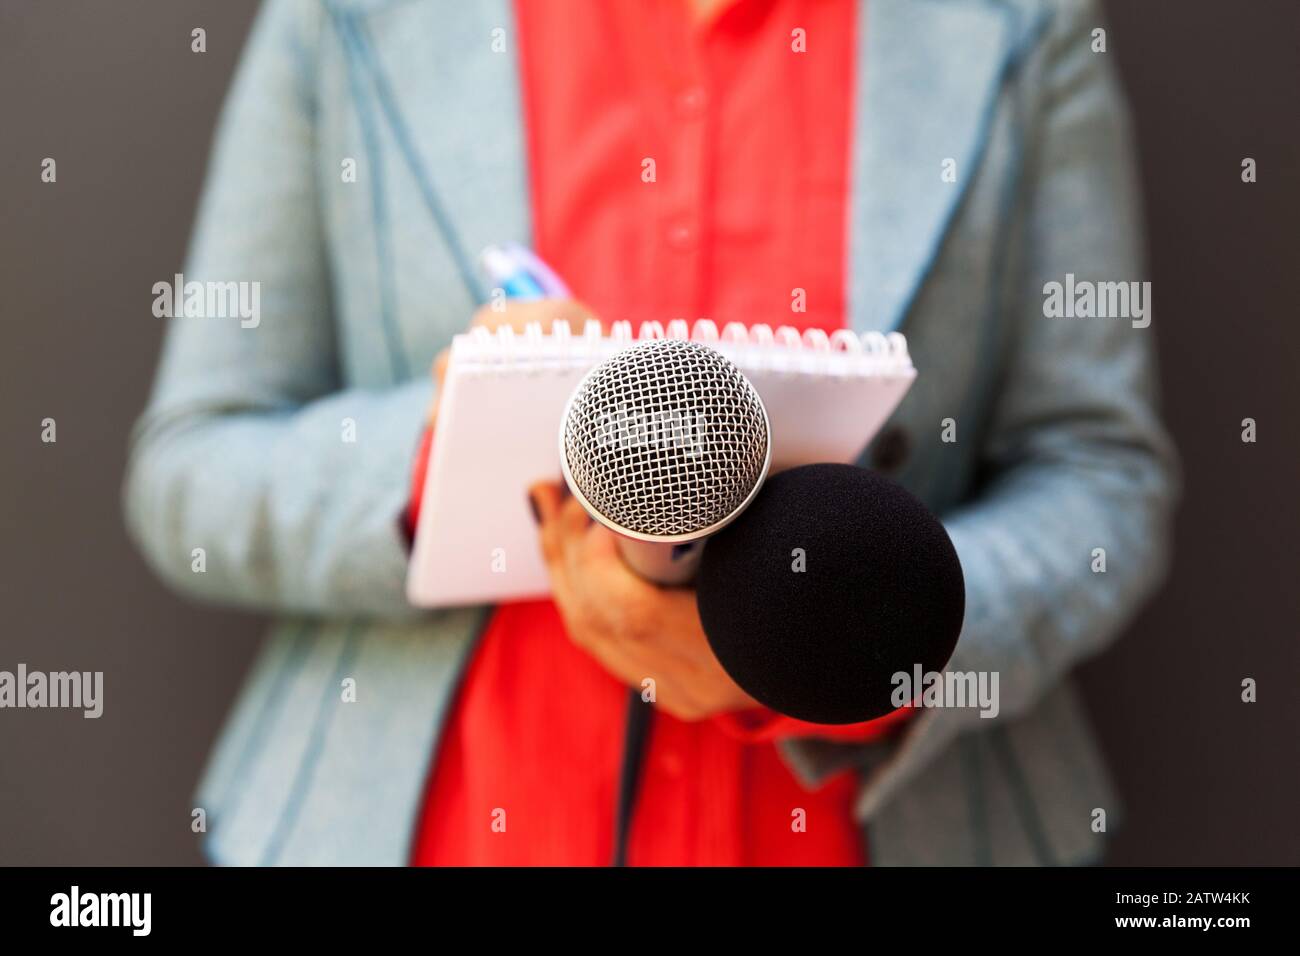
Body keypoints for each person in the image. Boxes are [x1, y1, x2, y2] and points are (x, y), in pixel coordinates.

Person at [124, 0, 1178, 865]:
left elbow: (1099, 475)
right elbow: (189, 470)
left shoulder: (1018, 25)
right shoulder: (345, 18)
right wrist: (458, 449)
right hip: (439, 823)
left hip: (879, 825)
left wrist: (864, 658)